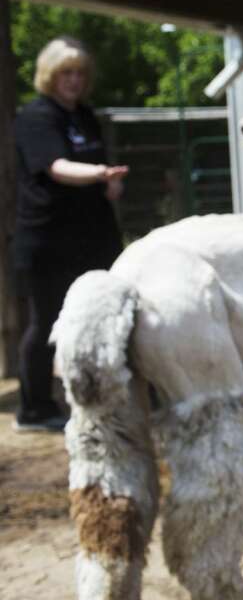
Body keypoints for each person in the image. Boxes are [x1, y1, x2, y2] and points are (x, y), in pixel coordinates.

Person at [10, 36, 126, 432]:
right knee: (45, 324)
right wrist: (98, 175)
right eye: (66, 73)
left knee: (102, 317)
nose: (74, 81)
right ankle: (34, 409)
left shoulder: (86, 115)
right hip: (48, 239)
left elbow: (102, 166)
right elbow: (57, 167)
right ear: (50, 76)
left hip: (93, 235)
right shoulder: (36, 117)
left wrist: (110, 184)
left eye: (79, 73)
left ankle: (104, 396)